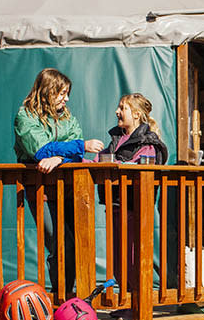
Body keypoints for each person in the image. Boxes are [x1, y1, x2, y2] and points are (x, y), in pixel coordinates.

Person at [14, 68, 104, 297]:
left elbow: (73, 154)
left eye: (67, 93)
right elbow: (38, 149)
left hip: (69, 188)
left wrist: (59, 157)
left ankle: (69, 294)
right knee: (57, 241)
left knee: (75, 242)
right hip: (41, 189)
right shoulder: (25, 116)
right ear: (47, 92)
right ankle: (60, 293)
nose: (66, 98)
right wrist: (78, 146)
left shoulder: (67, 118)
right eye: (61, 93)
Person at [105, 93, 169, 292]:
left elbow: (141, 166)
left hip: (135, 207)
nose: (117, 111)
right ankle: (127, 300)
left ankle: (138, 302)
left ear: (136, 114)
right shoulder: (117, 138)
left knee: (133, 257)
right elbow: (103, 159)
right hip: (116, 204)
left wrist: (114, 164)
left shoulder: (148, 142)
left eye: (122, 107)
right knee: (118, 258)